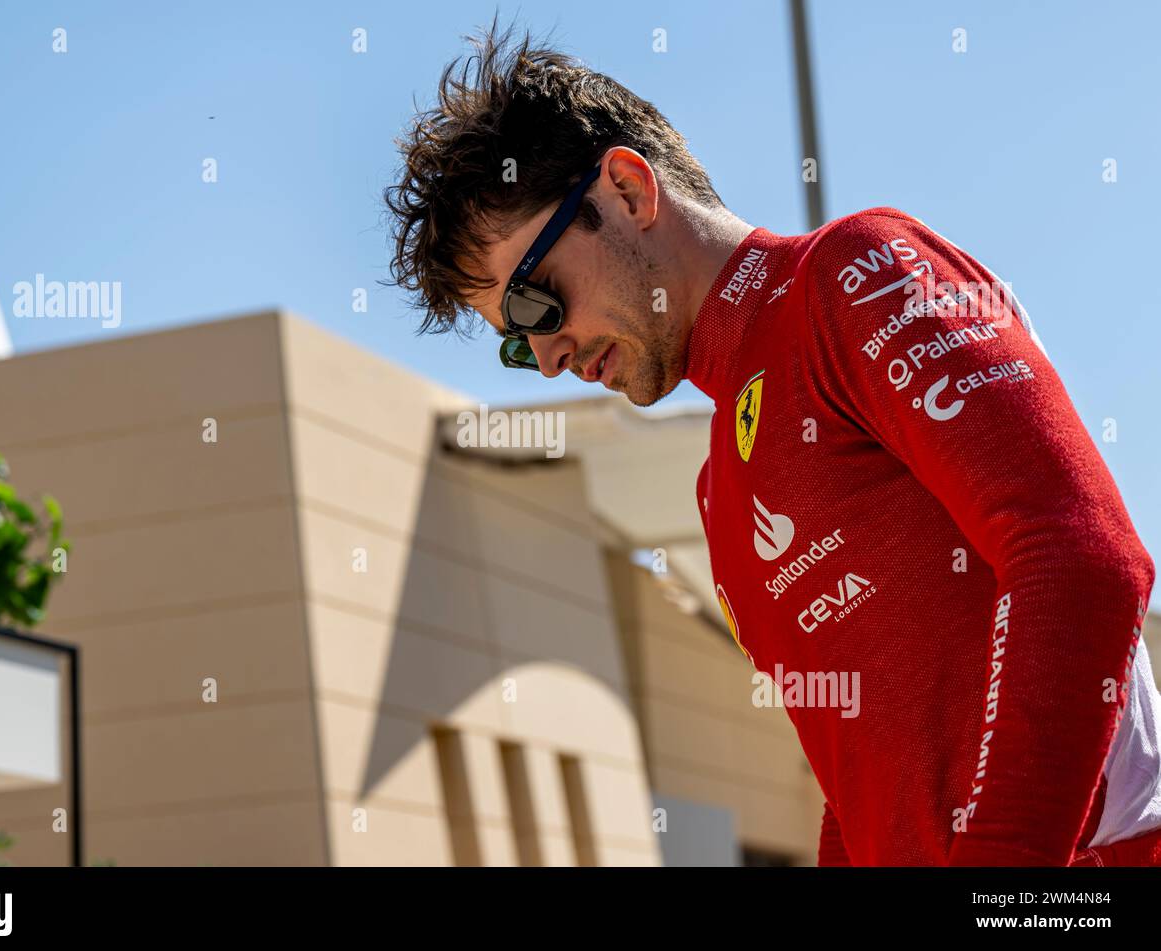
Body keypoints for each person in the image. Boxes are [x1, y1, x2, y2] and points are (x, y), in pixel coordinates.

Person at [383, 21, 1160, 866]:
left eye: (536, 304)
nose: (545, 358)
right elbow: (858, 790)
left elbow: (1081, 557)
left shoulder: (853, 272)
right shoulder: (718, 492)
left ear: (629, 191)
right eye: (514, 342)